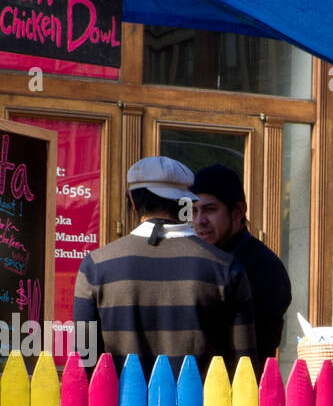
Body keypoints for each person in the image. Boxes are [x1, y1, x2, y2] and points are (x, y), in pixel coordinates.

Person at [74, 156, 256, 377]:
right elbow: (244, 371)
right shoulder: (226, 268)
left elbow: (83, 365)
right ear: (186, 202)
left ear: (132, 199)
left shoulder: (96, 266)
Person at [191, 164, 292, 376]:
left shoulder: (264, 267)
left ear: (238, 212)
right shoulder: (204, 259)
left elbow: (257, 349)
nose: (199, 221)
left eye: (210, 210)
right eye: (193, 210)